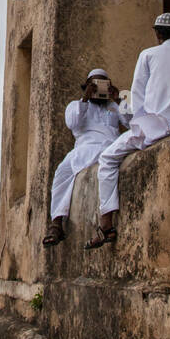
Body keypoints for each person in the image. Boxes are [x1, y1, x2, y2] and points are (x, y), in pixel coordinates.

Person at [85, 13, 170, 250]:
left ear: (158, 34)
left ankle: (106, 225)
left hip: (157, 127)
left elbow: (137, 107)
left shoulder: (148, 55)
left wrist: (118, 99)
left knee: (107, 159)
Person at [42, 68, 128, 247]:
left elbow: (131, 121)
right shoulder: (76, 105)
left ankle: (106, 224)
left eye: (103, 83)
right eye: (95, 84)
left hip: (109, 146)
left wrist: (119, 98)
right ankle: (56, 223)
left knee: (107, 168)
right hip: (83, 149)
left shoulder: (113, 106)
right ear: (88, 86)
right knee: (61, 172)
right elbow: (73, 123)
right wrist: (86, 98)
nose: (99, 88)